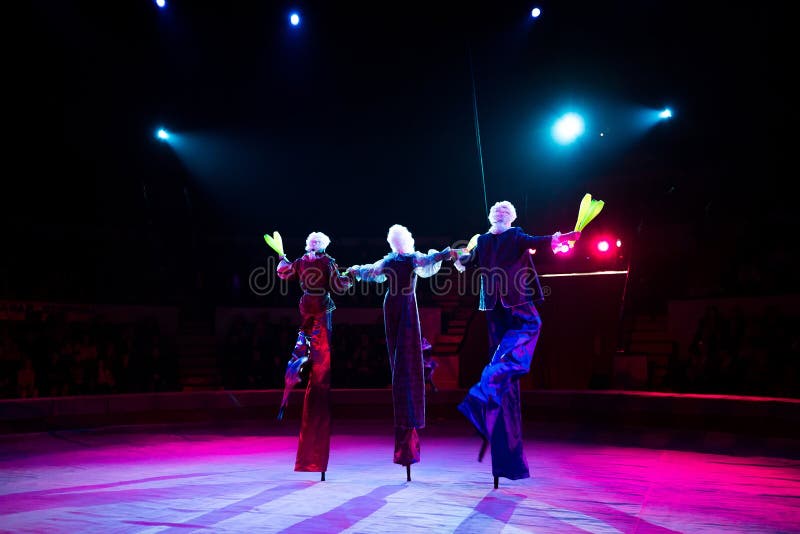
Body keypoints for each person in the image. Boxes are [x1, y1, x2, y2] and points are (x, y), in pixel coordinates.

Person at [455, 201, 580, 488]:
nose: (500, 214)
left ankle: (484, 398)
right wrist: (460, 257)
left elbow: (537, 241)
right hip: (504, 306)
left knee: (503, 373)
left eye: (504, 212)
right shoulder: (484, 240)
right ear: (491, 217)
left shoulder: (515, 236)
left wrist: (559, 238)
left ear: (510, 218)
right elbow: (468, 260)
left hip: (507, 301)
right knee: (528, 330)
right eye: (496, 211)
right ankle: (486, 387)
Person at [349, 224, 453, 481]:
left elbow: (430, 259)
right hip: (393, 306)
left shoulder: (412, 259)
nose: (398, 245)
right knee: (398, 358)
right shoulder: (389, 261)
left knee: (407, 358)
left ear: (405, 241)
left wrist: (446, 252)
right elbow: (370, 271)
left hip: (406, 305)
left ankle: (409, 434)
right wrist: (355, 271)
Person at [277, 231, 353, 481]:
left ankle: (292, 379)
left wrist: (282, 258)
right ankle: (303, 375)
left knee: (302, 352)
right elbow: (339, 285)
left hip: (306, 309)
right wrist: (350, 277)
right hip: (320, 312)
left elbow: (284, 271)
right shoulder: (326, 262)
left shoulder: (300, 262)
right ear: (322, 246)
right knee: (320, 369)